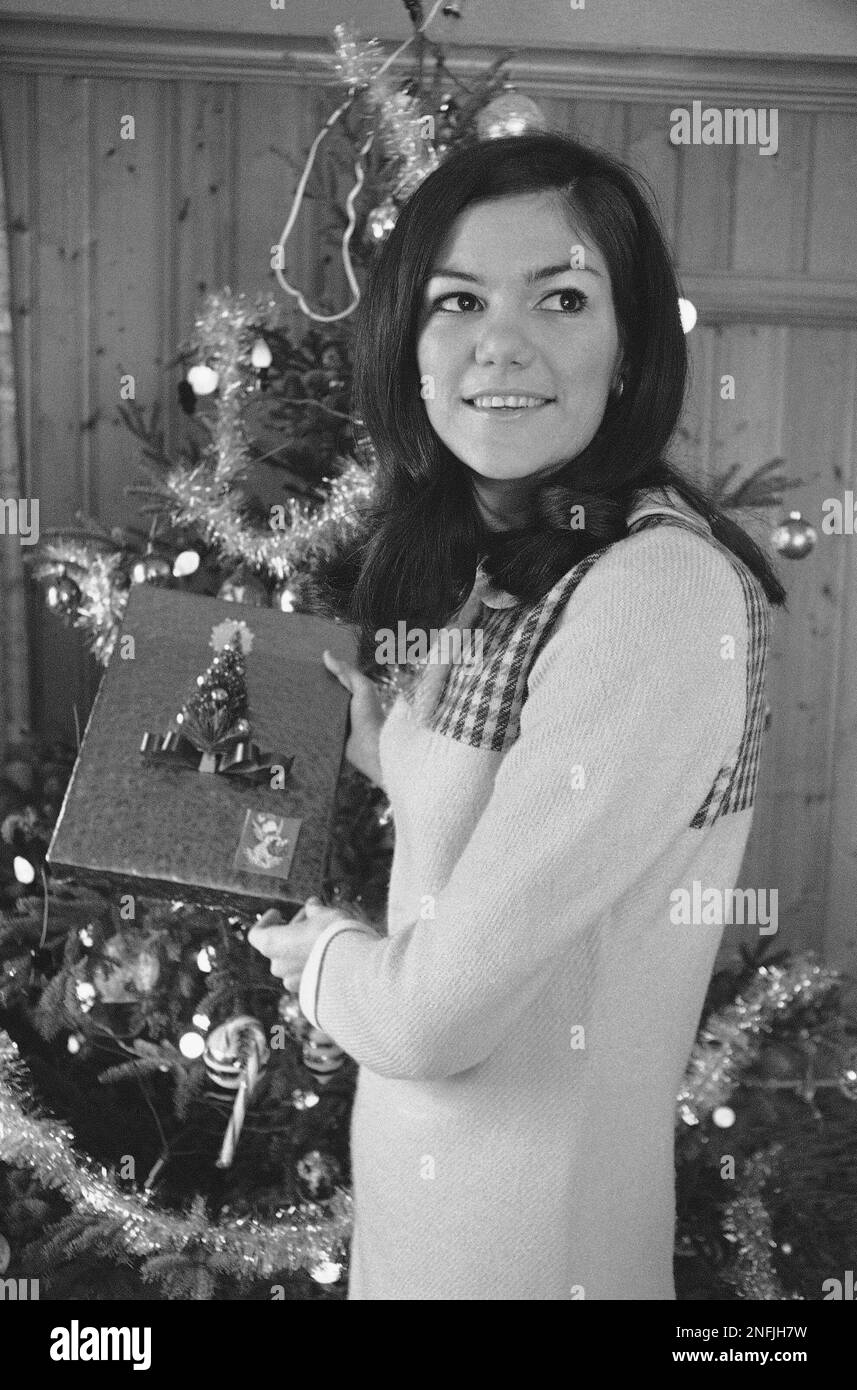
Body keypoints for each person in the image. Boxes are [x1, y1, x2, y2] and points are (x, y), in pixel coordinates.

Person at [248, 130, 787, 1300]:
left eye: (560, 297)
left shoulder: (655, 589)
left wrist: (313, 949)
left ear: (629, 342)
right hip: (435, 1232)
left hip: (532, 1256)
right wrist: (390, 753)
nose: (501, 342)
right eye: (456, 300)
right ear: (412, 343)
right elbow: (538, 834)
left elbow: (434, 1021)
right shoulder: (520, 572)